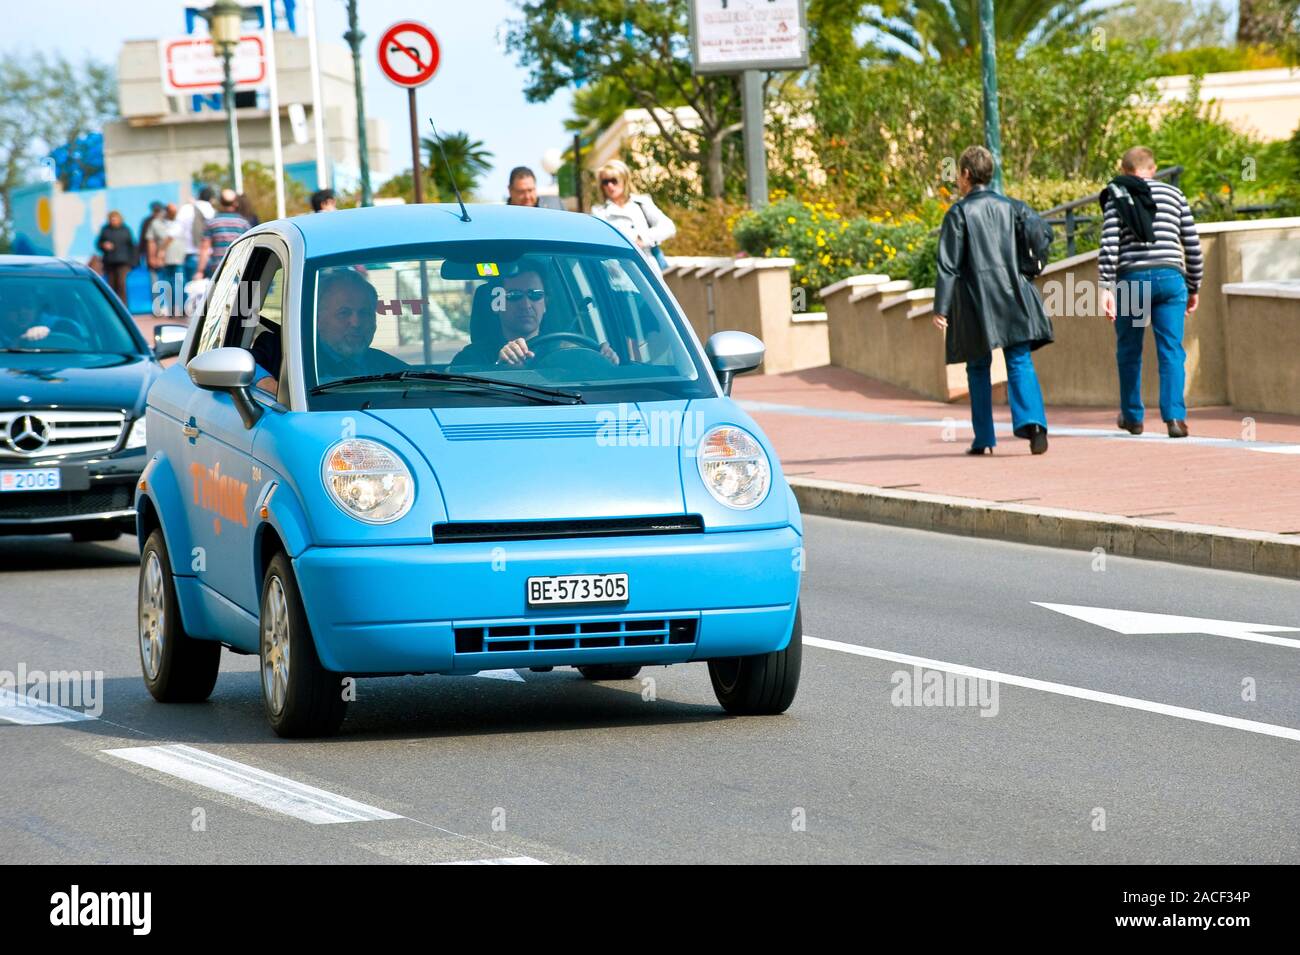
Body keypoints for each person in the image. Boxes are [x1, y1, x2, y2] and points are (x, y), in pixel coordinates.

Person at [933, 145, 1053, 456]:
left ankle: (984, 438)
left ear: (966, 175)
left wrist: (941, 308)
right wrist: (1029, 269)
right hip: (1014, 293)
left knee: (977, 366)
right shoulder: (1013, 207)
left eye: (959, 175)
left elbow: (948, 264)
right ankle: (1035, 425)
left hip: (975, 302)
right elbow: (1040, 234)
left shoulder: (958, 213)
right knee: (1019, 360)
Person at [1099, 146, 1203, 439]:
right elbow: (1192, 245)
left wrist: (1106, 287)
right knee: (1171, 349)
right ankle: (1175, 418)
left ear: (1124, 170)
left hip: (1132, 280)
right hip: (1171, 279)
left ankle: (1133, 417)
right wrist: (1193, 286)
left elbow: (1109, 245)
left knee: (1129, 350)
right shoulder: (1174, 195)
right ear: (1153, 169)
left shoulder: (1118, 195)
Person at [250, 268, 404, 392]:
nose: (356, 323)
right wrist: (269, 385)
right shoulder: (281, 352)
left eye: (364, 313)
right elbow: (239, 364)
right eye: (344, 313)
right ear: (317, 319)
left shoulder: (390, 368)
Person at [450, 266, 619, 369]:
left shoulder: (570, 352)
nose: (526, 304)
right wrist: (499, 370)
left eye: (535, 295)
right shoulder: (472, 359)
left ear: (545, 303)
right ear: (497, 304)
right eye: (514, 295)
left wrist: (605, 363)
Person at [590, 160, 676, 273]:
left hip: (649, 270)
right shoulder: (599, 211)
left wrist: (642, 239)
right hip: (619, 275)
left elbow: (669, 227)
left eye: (613, 180)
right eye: (605, 182)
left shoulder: (641, 203)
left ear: (624, 180)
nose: (609, 185)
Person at [198, 188, 252, 279]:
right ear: (235, 203)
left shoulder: (212, 223)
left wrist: (200, 271)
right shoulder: (243, 224)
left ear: (220, 202)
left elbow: (205, 248)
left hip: (218, 270)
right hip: (238, 269)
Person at [148, 204, 186, 318]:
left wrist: (160, 253)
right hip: (165, 260)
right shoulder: (156, 223)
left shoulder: (179, 222)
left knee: (179, 283)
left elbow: (171, 237)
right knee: (167, 284)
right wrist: (152, 257)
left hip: (179, 258)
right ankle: (169, 308)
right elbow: (151, 241)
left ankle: (179, 308)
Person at [176, 186, 215, 284]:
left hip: (192, 254)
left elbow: (176, 231)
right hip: (211, 256)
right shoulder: (213, 211)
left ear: (199, 196)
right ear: (211, 198)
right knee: (213, 293)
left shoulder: (186, 209)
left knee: (193, 293)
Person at [96, 211, 135, 305]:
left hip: (123, 262)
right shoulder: (105, 230)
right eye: (112, 219)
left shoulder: (126, 230)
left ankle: (124, 307)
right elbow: (98, 244)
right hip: (109, 262)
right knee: (111, 285)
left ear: (120, 219)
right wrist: (103, 245)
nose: (113, 221)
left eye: (115, 219)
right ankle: (113, 307)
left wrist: (132, 262)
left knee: (121, 285)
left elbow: (132, 246)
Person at [136, 201, 163, 280]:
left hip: (165, 255)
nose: (157, 212)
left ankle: (167, 292)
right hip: (151, 254)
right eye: (155, 210)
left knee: (167, 278)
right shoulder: (147, 221)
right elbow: (143, 239)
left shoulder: (165, 221)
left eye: (158, 210)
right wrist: (143, 254)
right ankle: (156, 292)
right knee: (154, 276)